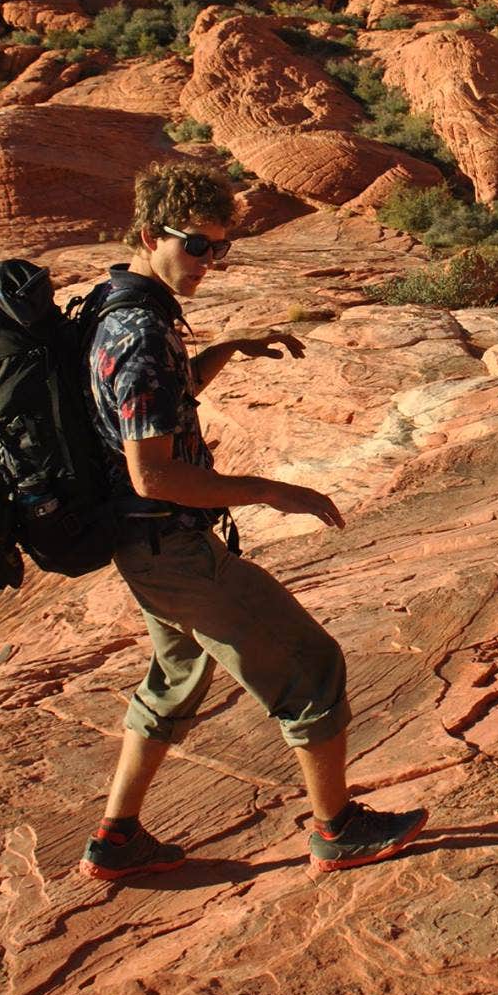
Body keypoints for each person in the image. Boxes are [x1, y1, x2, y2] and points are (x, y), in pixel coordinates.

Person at [79, 158, 427, 882]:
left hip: (142, 544)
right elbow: (156, 472)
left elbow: (156, 405)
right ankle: (336, 829)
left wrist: (226, 351)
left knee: (174, 681)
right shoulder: (140, 332)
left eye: (222, 247)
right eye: (197, 246)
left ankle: (116, 839)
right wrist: (272, 490)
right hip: (170, 545)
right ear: (151, 234)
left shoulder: (119, 306)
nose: (211, 261)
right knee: (312, 665)